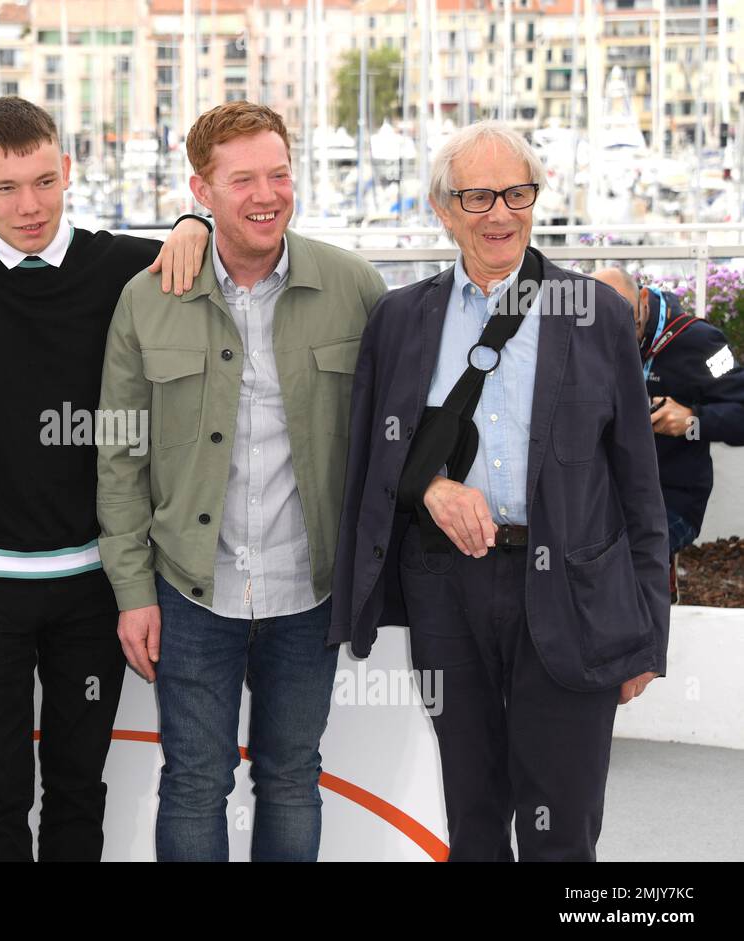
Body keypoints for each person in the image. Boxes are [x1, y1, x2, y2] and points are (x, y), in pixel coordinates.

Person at [0, 96, 210, 862]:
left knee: (77, 784)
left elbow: (218, 243)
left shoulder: (124, 263)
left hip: (97, 580)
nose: (28, 205)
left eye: (42, 181)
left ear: (66, 170)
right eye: (5, 188)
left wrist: (192, 224)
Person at [330, 120, 670, 861]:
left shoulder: (596, 313)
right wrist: (434, 492)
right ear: (442, 210)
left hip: (575, 593)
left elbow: (640, 482)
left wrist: (647, 626)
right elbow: (375, 460)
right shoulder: (400, 318)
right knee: (474, 816)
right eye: (477, 196)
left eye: (516, 193)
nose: (500, 214)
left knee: (564, 825)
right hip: (446, 590)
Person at [97, 100, 386, 862]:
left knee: (292, 775)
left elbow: (396, 437)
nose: (267, 194)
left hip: (310, 589)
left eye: (280, 173)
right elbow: (119, 454)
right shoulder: (145, 299)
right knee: (195, 779)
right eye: (243, 179)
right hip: (192, 590)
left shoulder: (354, 285)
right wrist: (132, 590)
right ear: (201, 190)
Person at [594, 267, 744, 561]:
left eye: (628, 324)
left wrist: (692, 422)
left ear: (644, 299)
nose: (620, 339)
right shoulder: (585, 336)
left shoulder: (702, 342)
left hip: (670, 498)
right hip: (602, 492)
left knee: (627, 560)